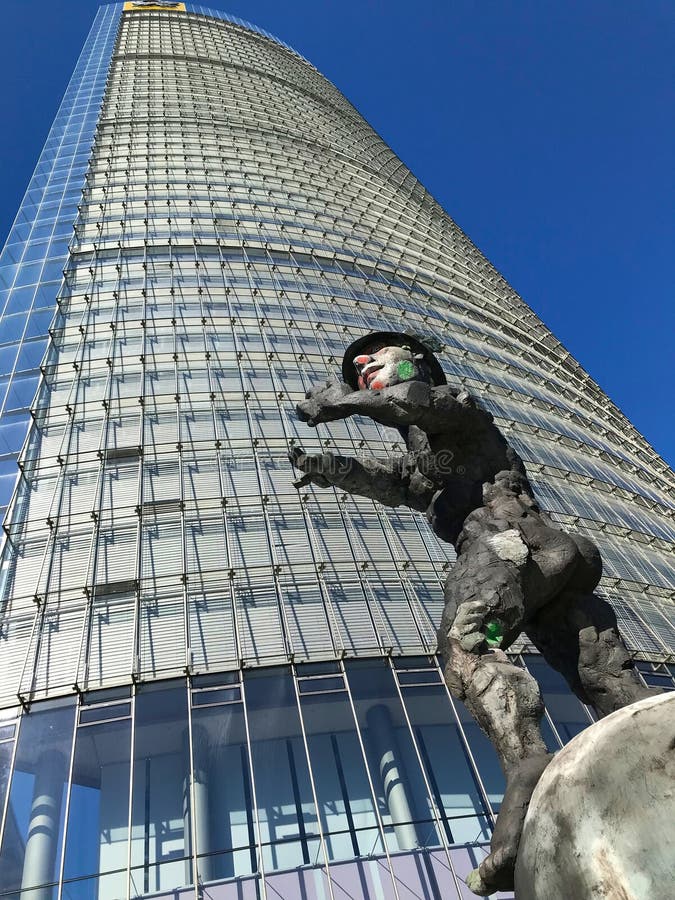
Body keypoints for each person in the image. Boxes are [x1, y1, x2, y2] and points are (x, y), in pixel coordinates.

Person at [289, 330, 657, 895]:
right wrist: (327, 466)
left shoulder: (453, 405)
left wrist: (343, 402)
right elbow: (393, 481)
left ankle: (526, 763)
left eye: (377, 356)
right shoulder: (426, 461)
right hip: (551, 560)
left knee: (465, 644)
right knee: (600, 673)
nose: (362, 363)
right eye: (358, 367)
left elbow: (413, 402)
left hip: (509, 546)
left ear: (418, 361)